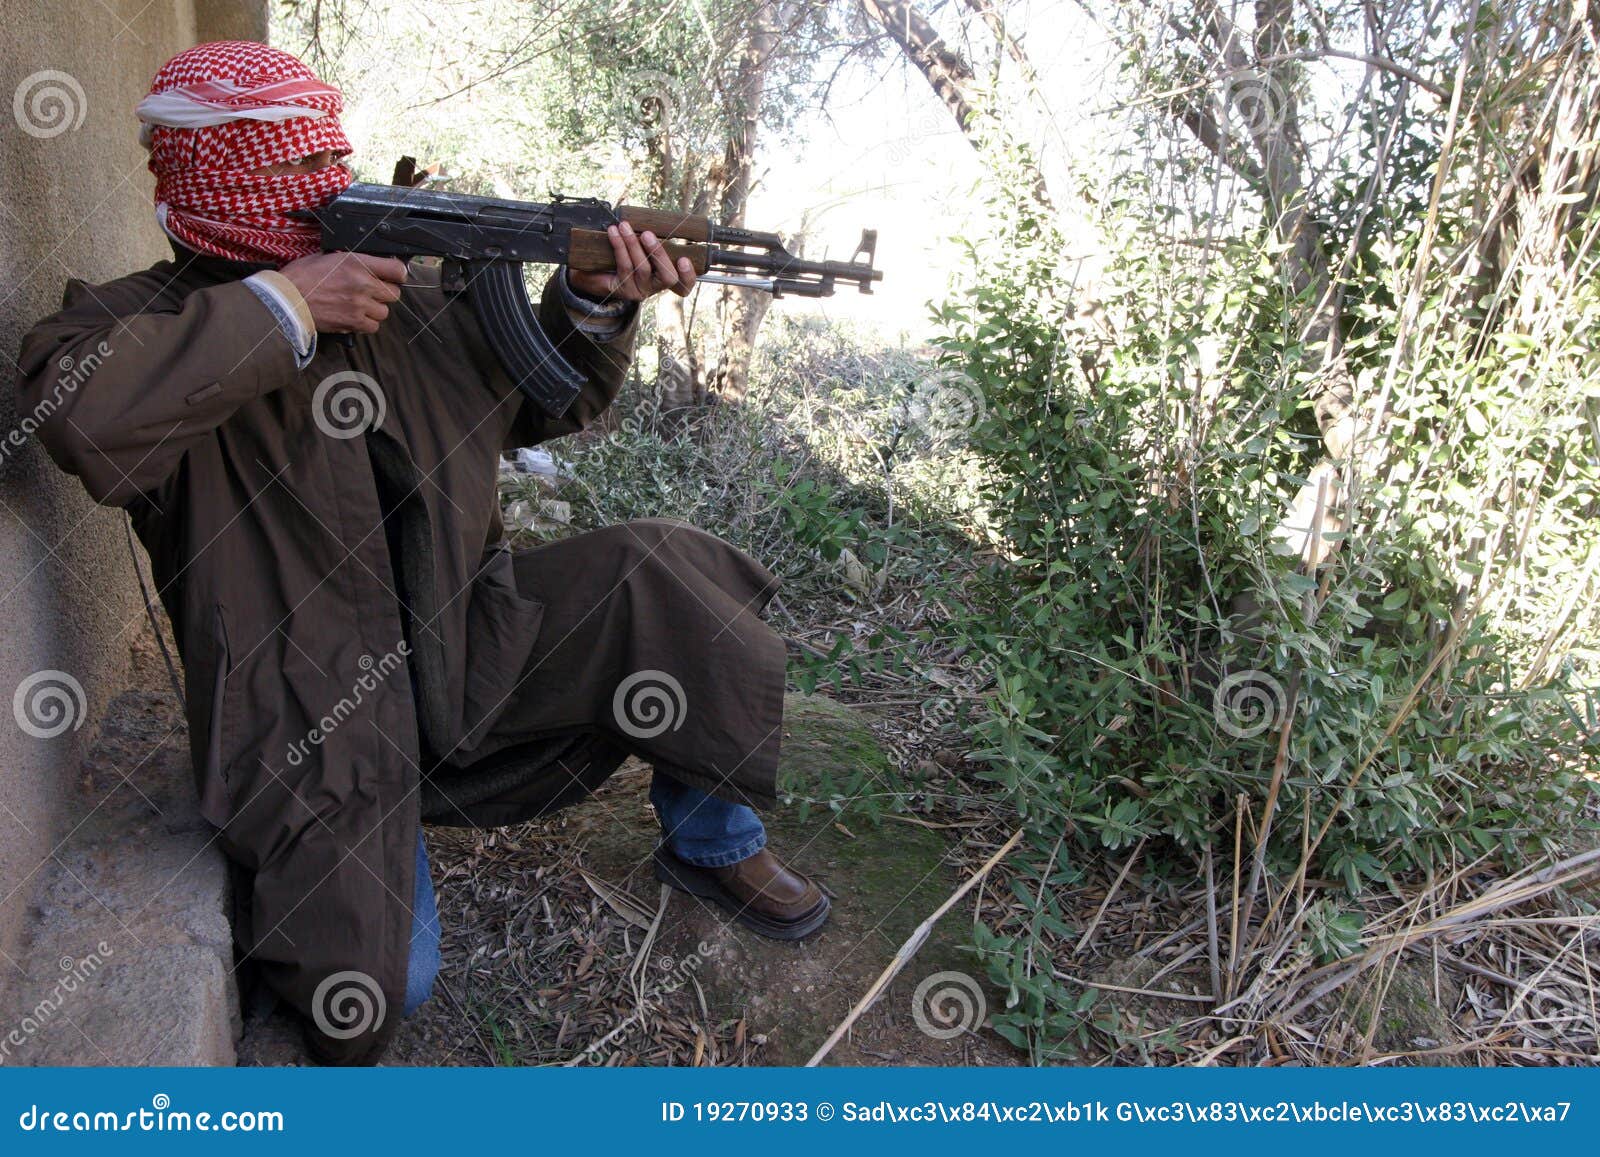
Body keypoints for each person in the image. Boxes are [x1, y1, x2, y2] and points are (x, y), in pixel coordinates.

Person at [16, 40, 828, 1066]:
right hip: (309, 718)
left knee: (665, 575)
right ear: (194, 176)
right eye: (281, 169)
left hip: (472, 640)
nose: (317, 189)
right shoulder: (137, 324)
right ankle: (366, 858)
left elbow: (546, 395)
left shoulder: (408, 304)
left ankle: (716, 842)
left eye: (326, 161)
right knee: (384, 984)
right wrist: (289, 309)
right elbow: (78, 417)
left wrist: (595, 299)